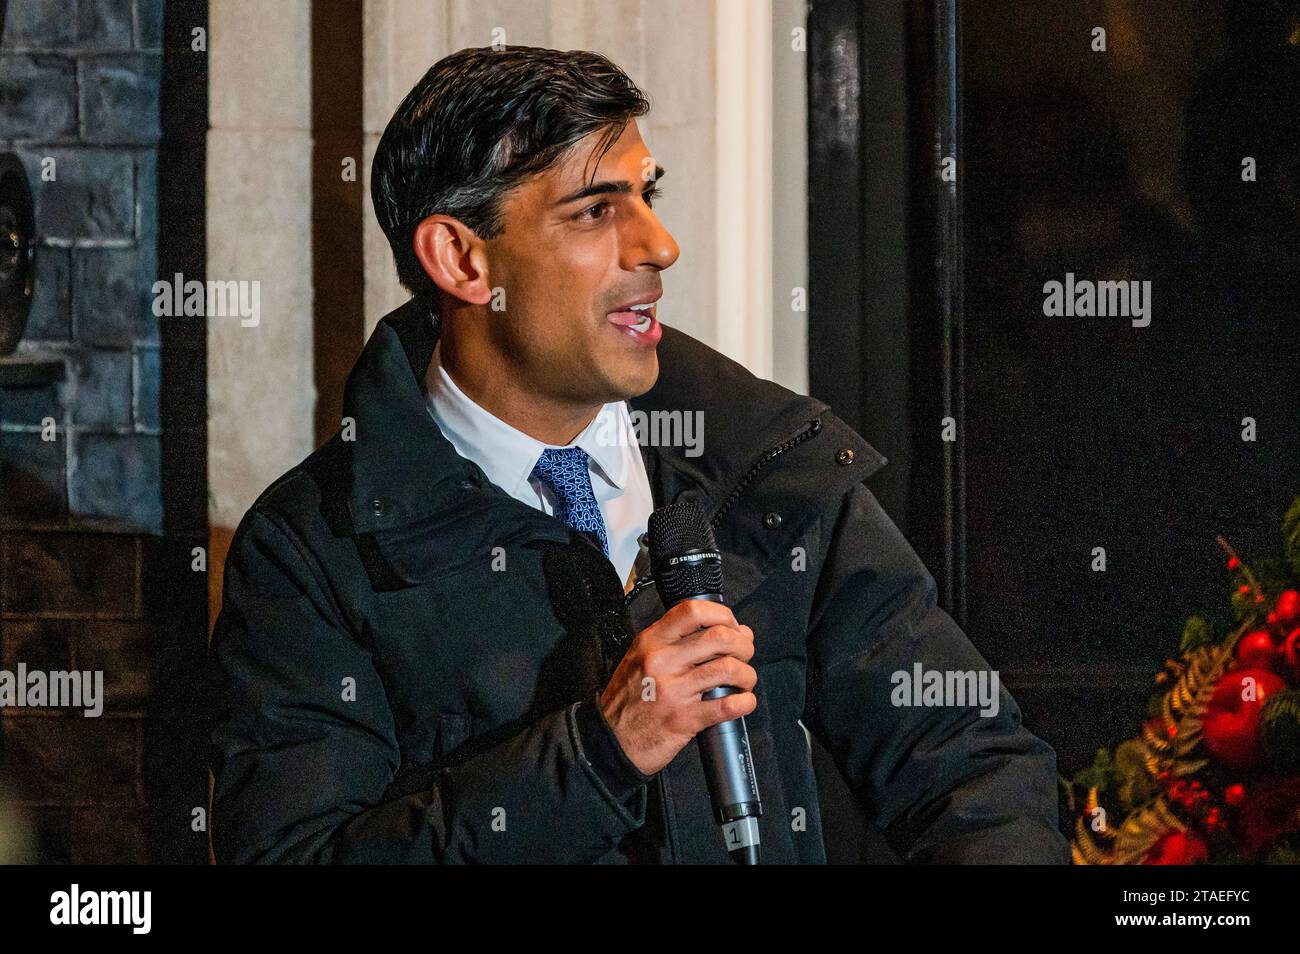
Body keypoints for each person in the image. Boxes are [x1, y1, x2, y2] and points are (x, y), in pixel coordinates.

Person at [207, 45, 1069, 864]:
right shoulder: (309, 552)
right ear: (462, 259)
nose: (659, 246)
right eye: (595, 210)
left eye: (648, 195)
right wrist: (597, 755)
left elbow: (968, 758)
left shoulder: (762, 465)